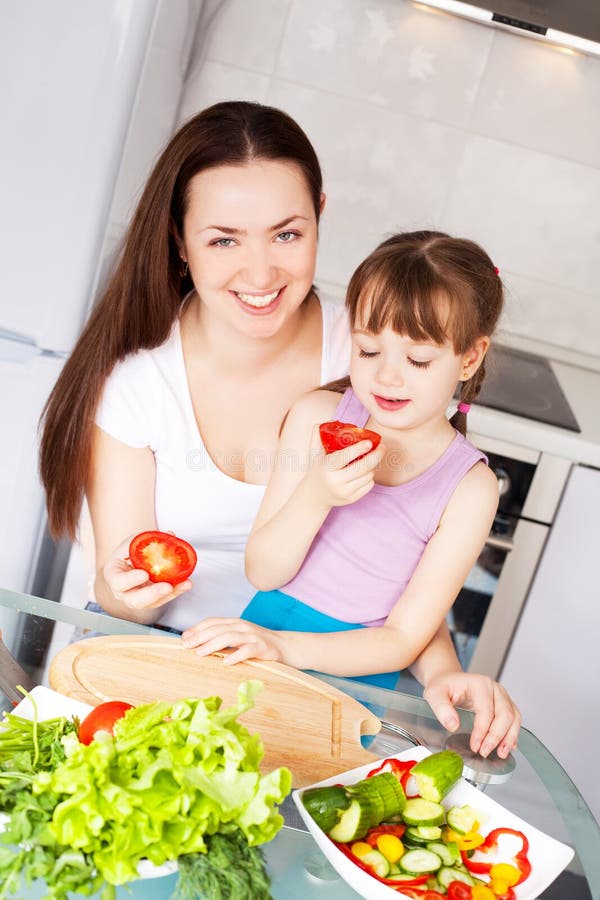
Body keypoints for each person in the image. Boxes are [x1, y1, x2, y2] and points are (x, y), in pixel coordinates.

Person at [40, 102, 520, 759]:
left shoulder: (376, 345)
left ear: (319, 214)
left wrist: (442, 671)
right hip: (161, 648)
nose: (262, 274)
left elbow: (400, 550)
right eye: (224, 239)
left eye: (286, 234)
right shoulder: (137, 384)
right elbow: (122, 599)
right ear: (180, 242)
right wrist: (124, 591)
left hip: (319, 673)